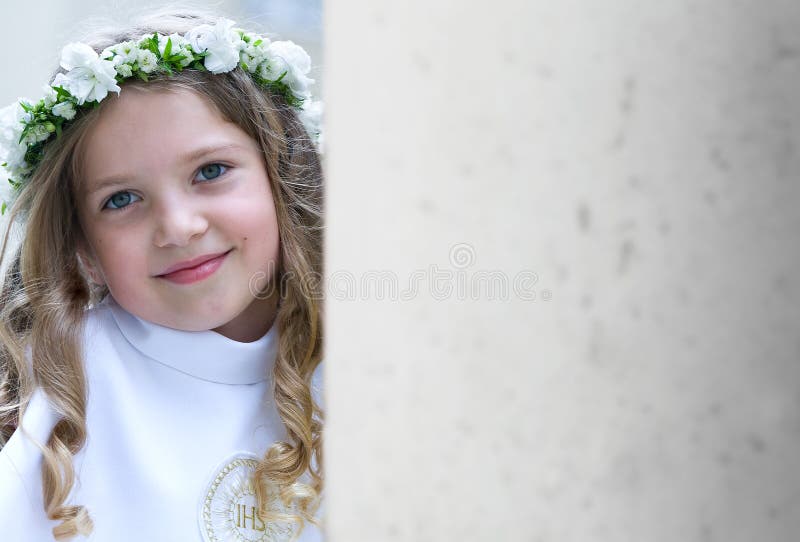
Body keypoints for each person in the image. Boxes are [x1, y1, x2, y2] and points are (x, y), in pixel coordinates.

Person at [0, 9, 324, 542]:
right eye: (121, 199)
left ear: (281, 173)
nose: (178, 227)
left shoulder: (361, 356)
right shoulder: (65, 385)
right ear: (82, 242)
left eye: (211, 171)